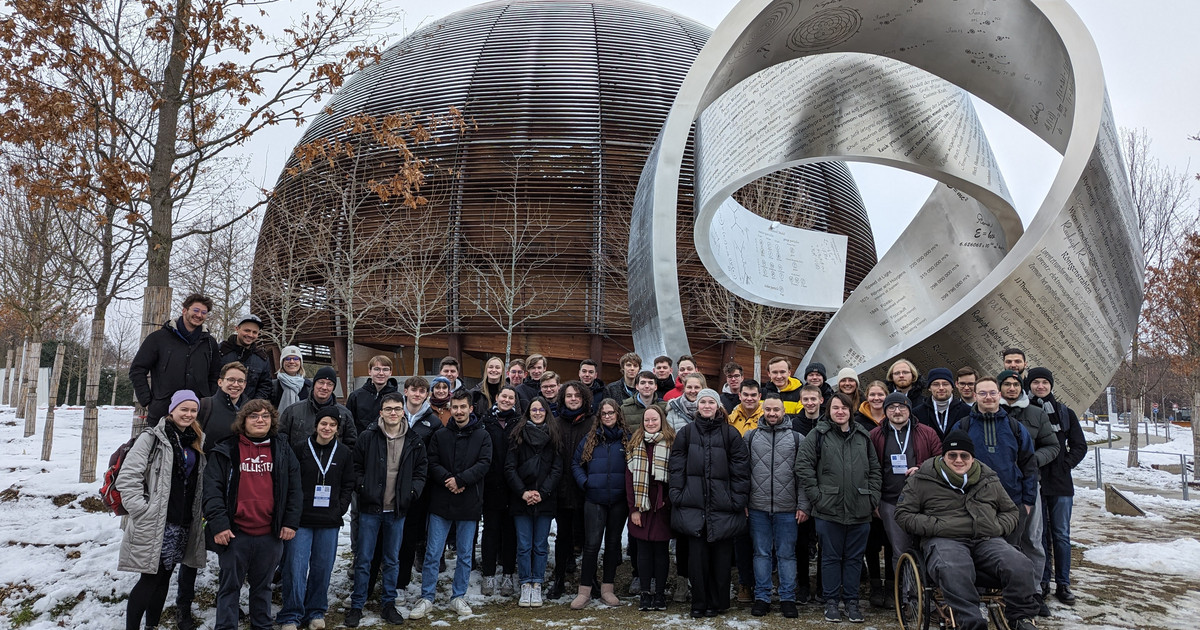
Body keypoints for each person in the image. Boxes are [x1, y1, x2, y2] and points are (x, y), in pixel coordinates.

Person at [894, 430, 1042, 630]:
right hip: (944, 540)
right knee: (953, 568)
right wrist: (937, 526)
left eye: (964, 456)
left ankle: (1021, 617)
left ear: (972, 458)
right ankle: (972, 622)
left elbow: (1010, 510)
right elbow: (903, 514)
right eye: (952, 455)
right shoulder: (923, 479)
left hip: (986, 539)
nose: (958, 460)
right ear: (943, 456)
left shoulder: (988, 478)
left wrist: (997, 527)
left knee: (1020, 564)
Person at [203, 399, 302, 630]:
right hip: (234, 533)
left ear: (272, 421)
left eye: (265, 416)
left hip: (270, 533)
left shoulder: (282, 449)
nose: (260, 420)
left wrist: (290, 522)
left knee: (263, 588)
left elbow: (295, 490)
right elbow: (212, 490)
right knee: (229, 588)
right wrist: (219, 525)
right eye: (254, 416)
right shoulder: (226, 449)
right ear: (243, 421)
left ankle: (262, 625)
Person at [117, 391, 206, 630]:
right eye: (183, 409)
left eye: (193, 410)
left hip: (182, 521)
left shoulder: (196, 438)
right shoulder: (152, 437)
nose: (188, 414)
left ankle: (152, 626)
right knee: (150, 578)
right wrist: (142, 510)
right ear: (172, 410)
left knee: (165, 576)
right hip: (156, 521)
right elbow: (127, 477)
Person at [795, 392, 881, 624]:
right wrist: (816, 496)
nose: (840, 412)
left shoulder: (863, 436)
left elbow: (875, 470)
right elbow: (803, 466)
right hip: (828, 508)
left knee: (854, 558)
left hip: (859, 509)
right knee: (831, 558)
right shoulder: (818, 435)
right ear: (829, 411)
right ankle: (831, 601)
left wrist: (872, 498)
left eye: (844, 408)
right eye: (835, 408)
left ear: (851, 410)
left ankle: (852, 601)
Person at [344, 393, 427, 627]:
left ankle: (388, 604)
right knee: (364, 559)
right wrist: (362, 488)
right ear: (381, 412)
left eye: (397, 409)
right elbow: (355, 466)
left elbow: (422, 470)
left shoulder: (414, 439)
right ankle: (357, 604)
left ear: (403, 411)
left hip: (397, 510)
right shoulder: (368, 437)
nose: (393, 412)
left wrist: (411, 493)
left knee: (392, 559)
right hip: (370, 508)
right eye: (388, 408)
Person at [410, 391, 492, 619]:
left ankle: (459, 595)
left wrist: (462, 480)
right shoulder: (441, 434)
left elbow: (484, 463)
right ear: (451, 408)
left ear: (470, 408)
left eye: (463, 407)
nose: (459, 411)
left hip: (469, 501)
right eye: (455, 407)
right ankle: (427, 596)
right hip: (441, 501)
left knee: (465, 554)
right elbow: (431, 461)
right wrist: (449, 479)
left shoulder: (482, 436)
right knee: (433, 552)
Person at [669, 388, 750, 619]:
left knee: (721, 560)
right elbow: (676, 468)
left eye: (710, 402)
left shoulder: (730, 434)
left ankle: (718, 602)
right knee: (697, 560)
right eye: (702, 402)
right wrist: (677, 495)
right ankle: (699, 602)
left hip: (723, 507)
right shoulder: (686, 433)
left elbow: (741, 471)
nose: (706, 406)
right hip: (694, 506)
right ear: (698, 406)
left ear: (718, 407)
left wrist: (737, 499)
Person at [279, 408, 356, 630]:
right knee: (295, 567)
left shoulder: (343, 453)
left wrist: (339, 508)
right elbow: (290, 483)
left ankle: (316, 611)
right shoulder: (300, 449)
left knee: (322, 567)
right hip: (301, 520)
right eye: (324, 423)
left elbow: (348, 483)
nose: (327, 428)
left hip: (328, 521)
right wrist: (291, 513)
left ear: (337, 429)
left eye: (332, 424)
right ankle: (291, 614)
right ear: (316, 425)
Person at [868, 392, 941, 607]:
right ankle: (909, 596)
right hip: (890, 501)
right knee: (899, 551)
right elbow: (870, 468)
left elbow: (940, 460)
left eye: (901, 407)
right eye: (892, 408)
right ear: (885, 410)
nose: (897, 411)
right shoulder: (876, 435)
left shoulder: (927, 433)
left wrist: (922, 469)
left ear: (909, 409)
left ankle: (931, 594)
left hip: (924, 502)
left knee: (928, 547)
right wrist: (875, 501)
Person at [998, 369, 1060, 616]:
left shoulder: (1036, 414)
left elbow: (1052, 445)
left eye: (1015, 384)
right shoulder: (991, 412)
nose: (1011, 388)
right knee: (998, 540)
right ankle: (1000, 590)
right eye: (1006, 384)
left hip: (1028, 483)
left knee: (1032, 540)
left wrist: (1031, 460)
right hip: (996, 486)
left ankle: (1033, 592)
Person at [1025, 367, 1087, 607]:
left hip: (1060, 483)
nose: (1040, 386)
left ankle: (1063, 582)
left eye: (1044, 382)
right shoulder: (1024, 411)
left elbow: (1079, 445)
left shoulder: (1064, 412)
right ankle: (1041, 582)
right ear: (1029, 385)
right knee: (1038, 535)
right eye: (1035, 382)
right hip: (1035, 480)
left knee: (1061, 534)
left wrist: (1065, 464)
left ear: (1051, 385)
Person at [949, 377, 1038, 538]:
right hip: (972, 504)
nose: (988, 397)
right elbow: (950, 466)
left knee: (1011, 554)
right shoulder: (962, 427)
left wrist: (1027, 502)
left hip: (1011, 502)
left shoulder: (1015, 427)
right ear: (975, 396)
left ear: (999, 395)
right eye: (982, 393)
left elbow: (1029, 465)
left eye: (992, 393)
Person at [744, 393, 806, 619]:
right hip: (758, 507)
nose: (772, 413)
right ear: (763, 410)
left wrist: (803, 505)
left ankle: (788, 598)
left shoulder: (797, 438)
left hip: (787, 509)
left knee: (786, 555)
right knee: (761, 554)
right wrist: (744, 502)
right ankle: (762, 597)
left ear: (783, 411)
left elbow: (803, 476)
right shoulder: (750, 437)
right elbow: (744, 473)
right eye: (768, 409)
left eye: (776, 410)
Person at [570, 397, 630, 608]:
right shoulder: (590, 438)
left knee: (613, 545)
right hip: (594, 499)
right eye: (604, 414)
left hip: (619, 501)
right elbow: (576, 464)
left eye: (611, 413)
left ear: (617, 415)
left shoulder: (627, 439)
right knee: (592, 545)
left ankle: (608, 588)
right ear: (599, 416)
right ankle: (584, 590)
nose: (607, 417)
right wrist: (586, 483)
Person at [129, 293, 221, 426]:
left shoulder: (210, 343)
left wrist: (209, 399)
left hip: (198, 414)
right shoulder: (158, 338)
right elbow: (137, 369)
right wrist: (147, 400)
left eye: (204, 312)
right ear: (184, 310)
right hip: (163, 412)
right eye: (195, 310)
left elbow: (215, 374)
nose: (199, 315)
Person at [506, 396, 563, 607]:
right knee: (523, 545)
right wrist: (523, 492)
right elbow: (509, 468)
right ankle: (524, 583)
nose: (537, 413)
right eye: (533, 409)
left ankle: (537, 583)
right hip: (521, 499)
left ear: (546, 412)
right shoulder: (517, 435)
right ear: (528, 412)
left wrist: (543, 492)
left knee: (540, 545)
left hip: (545, 499)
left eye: (541, 409)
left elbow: (557, 469)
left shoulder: (554, 436)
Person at [625, 404, 673, 611]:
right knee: (643, 551)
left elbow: (676, 476)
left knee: (661, 551)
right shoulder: (634, 444)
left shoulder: (672, 443)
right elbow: (628, 480)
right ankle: (645, 592)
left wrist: (668, 501)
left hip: (663, 504)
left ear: (661, 420)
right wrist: (634, 509)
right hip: (641, 503)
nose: (650, 423)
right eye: (647, 420)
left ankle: (660, 593)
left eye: (654, 420)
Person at [549, 381, 594, 599]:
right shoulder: (555, 423)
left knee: (587, 537)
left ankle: (590, 579)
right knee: (563, 537)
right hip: (561, 490)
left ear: (584, 398)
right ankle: (559, 580)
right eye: (569, 396)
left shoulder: (593, 423)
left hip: (586, 489)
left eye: (577, 395)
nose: (573, 399)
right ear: (562, 399)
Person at [396, 376, 441, 592]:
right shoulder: (394, 414)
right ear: (405, 391)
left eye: (422, 391)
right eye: (413, 390)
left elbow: (433, 458)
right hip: (390, 487)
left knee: (409, 538)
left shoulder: (433, 422)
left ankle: (400, 584)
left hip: (416, 490)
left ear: (426, 395)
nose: (417, 394)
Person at [480, 386, 521, 598]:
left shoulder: (519, 422)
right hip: (491, 485)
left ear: (515, 401)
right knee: (490, 531)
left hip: (513, 487)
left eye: (511, 397)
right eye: (503, 396)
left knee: (510, 532)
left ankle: (507, 573)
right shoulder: (486, 421)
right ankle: (488, 574)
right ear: (497, 398)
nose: (506, 400)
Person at [277, 366, 357, 452]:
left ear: (333, 388)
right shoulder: (293, 411)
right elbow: (281, 441)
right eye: (321, 382)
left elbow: (351, 444)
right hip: (299, 463)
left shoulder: (344, 414)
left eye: (329, 384)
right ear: (314, 384)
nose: (324, 387)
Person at [218, 314, 273, 401]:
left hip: (249, 409)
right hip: (220, 406)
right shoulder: (220, 351)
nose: (250, 335)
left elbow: (265, 386)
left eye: (254, 332)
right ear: (237, 329)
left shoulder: (262, 358)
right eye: (247, 330)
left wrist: (254, 406)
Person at [345, 355, 398, 435]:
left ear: (390, 372)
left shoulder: (397, 398)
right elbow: (348, 424)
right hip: (360, 444)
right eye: (377, 369)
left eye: (385, 369)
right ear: (369, 371)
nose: (381, 373)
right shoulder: (355, 396)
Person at [913, 367, 971, 441]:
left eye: (945, 384)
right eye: (936, 384)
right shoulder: (917, 413)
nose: (941, 388)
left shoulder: (966, 411)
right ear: (929, 388)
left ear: (952, 387)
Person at [270, 346, 312, 410]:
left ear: (300, 363)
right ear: (282, 363)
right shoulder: (272, 386)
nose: (292, 362)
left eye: (296, 358)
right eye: (287, 359)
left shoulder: (309, 386)